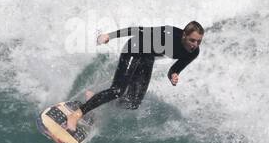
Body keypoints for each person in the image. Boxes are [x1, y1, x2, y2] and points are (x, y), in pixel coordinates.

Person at [65, 21, 204, 131]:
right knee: (117, 90)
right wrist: (110, 36)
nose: (195, 45)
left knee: (133, 103)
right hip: (135, 48)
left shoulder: (193, 52)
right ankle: (76, 115)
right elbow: (139, 30)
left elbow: (174, 69)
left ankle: (95, 99)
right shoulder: (169, 34)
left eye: (199, 41)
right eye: (192, 40)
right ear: (184, 35)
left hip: (148, 57)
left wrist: (174, 74)